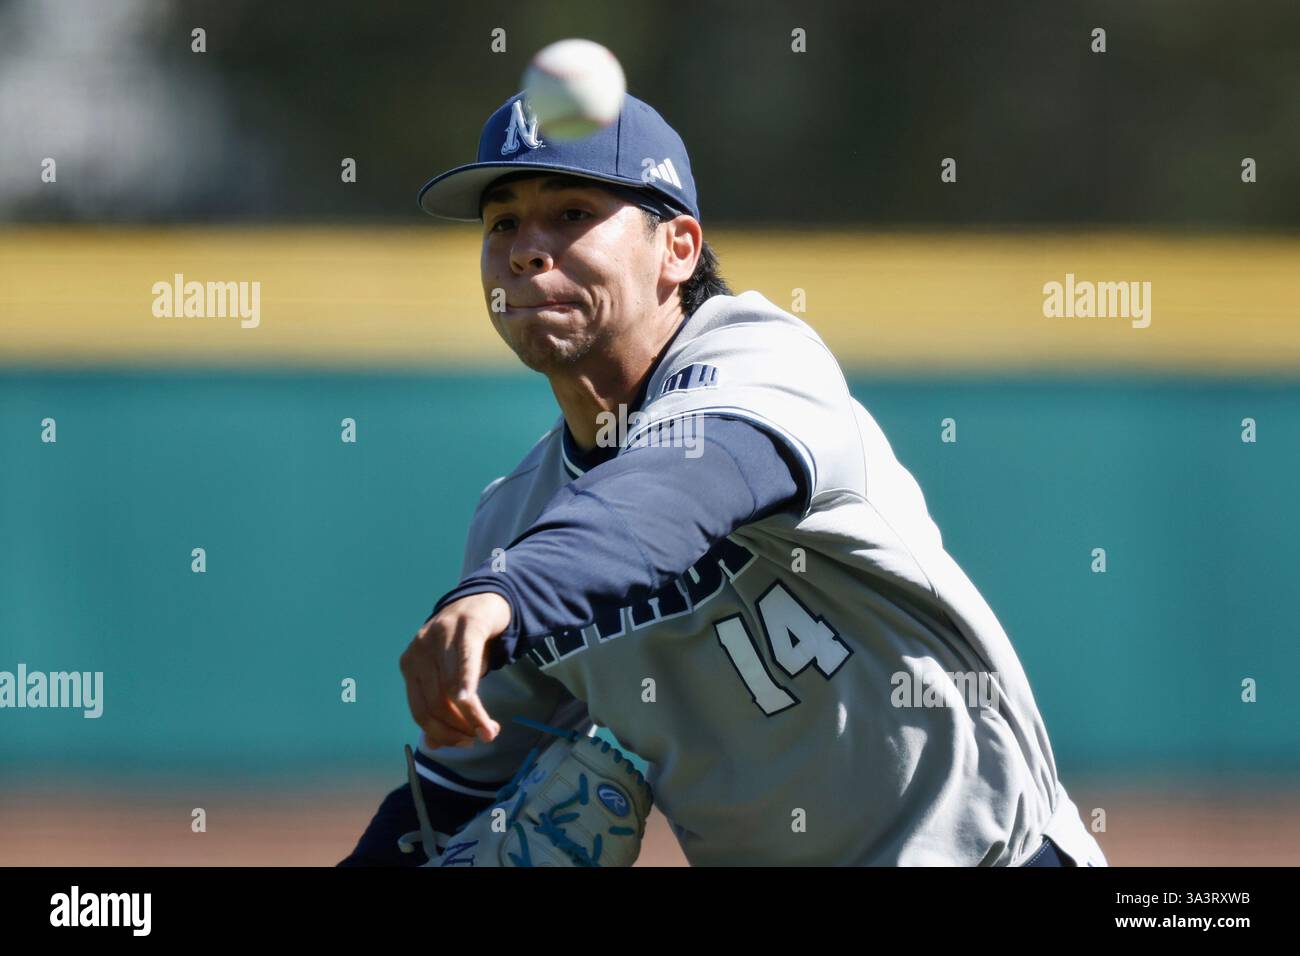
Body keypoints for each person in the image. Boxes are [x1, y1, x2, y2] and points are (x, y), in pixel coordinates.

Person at [339, 91, 1107, 867]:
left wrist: (507, 595)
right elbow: (451, 796)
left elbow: (675, 490)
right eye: (503, 221)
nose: (526, 249)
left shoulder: (760, 363)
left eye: (572, 213)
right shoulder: (516, 527)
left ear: (677, 248)